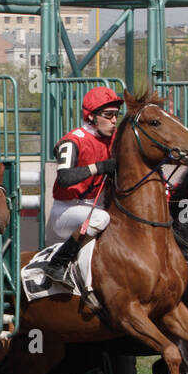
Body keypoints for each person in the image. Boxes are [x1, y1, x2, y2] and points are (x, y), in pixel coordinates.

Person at [42, 87, 122, 284]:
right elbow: (64, 178)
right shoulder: (73, 140)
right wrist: (100, 167)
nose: (113, 121)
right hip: (66, 211)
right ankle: (58, 263)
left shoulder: (113, 138)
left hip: (95, 206)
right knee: (101, 218)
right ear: (91, 116)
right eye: (108, 115)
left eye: (116, 116)